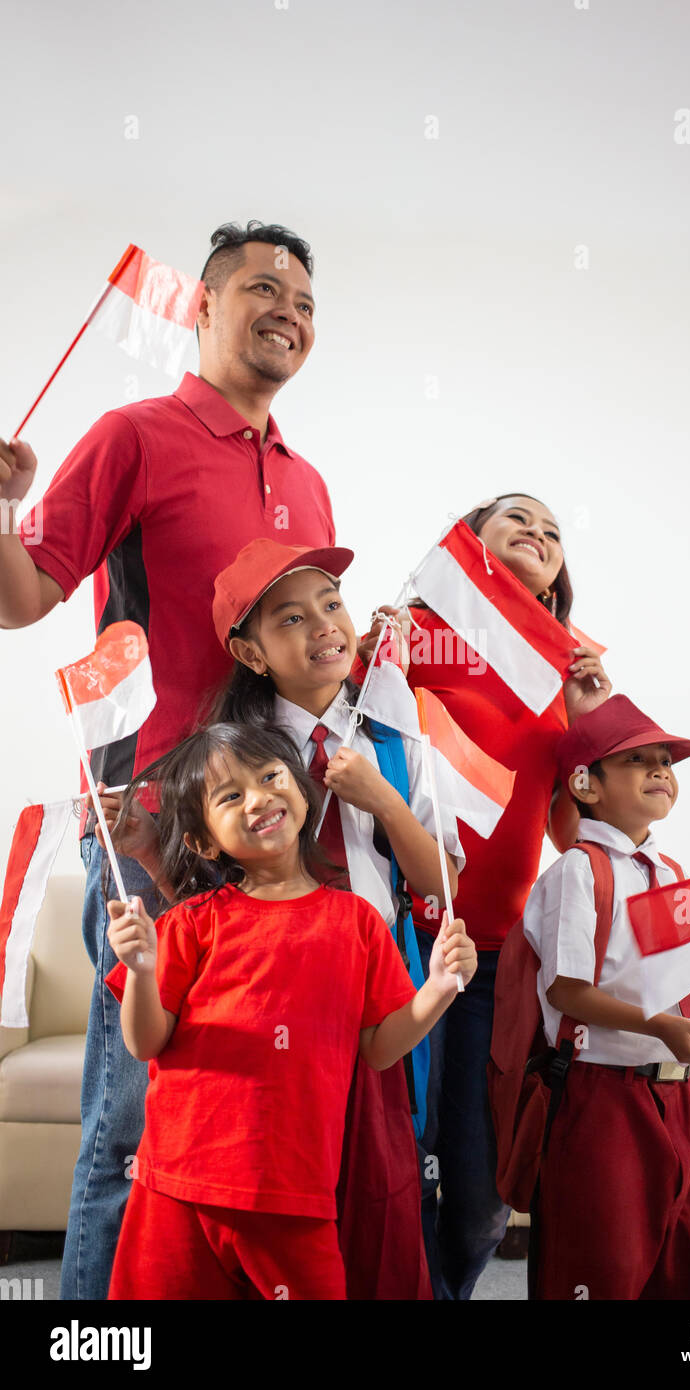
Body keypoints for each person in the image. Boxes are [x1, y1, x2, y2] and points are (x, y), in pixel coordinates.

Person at [0, 219, 335, 1300]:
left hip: (275, 830)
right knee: (132, 1117)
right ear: (198, 307)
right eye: (260, 289)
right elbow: (23, 598)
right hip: (150, 825)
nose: (287, 309)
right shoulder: (134, 434)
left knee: (244, 1112)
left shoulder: (309, 480)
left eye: (305, 298)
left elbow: (307, 664)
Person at [103, 536, 465, 1298]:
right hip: (260, 1042)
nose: (324, 625)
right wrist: (142, 847)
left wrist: (385, 801)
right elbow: (211, 907)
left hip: (365, 997)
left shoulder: (398, 734)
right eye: (291, 619)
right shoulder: (235, 758)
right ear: (252, 652)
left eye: (332, 605)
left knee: (374, 1200)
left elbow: (440, 883)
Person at [368, 493, 611, 1299]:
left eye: (553, 528)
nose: (541, 534)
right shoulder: (417, 634)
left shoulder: (567, 665)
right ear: (471, 544)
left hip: (490, 961)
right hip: (392, 942)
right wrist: (371, 657)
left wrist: (589, 725)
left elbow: (574, 836)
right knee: (390, 1164)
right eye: (519, 520)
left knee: (479, 1197)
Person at [523, 695, 690, 1300]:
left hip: (677, 1098)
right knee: (603, 1264)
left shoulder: (666, 872)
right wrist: (662, 1028)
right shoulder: (578, 871)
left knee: (684, 1267)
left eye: (666, 761)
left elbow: (678, 985)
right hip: (601, 1099)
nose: (661, 772)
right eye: (638, 760)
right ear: (586, 784)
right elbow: (567, 990)